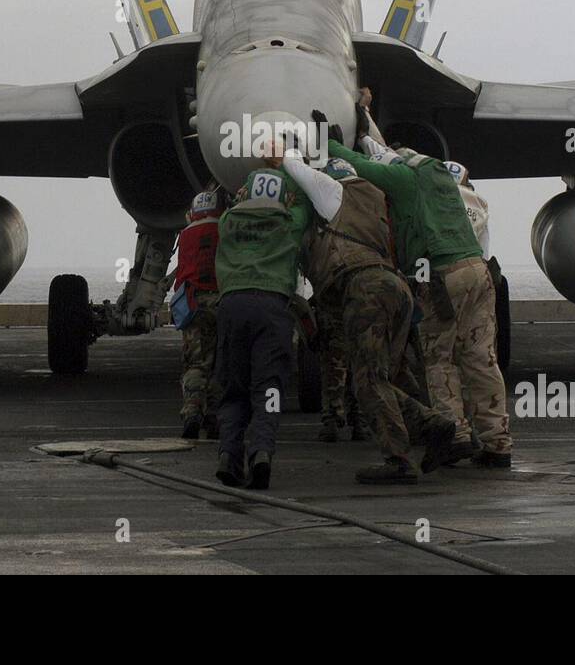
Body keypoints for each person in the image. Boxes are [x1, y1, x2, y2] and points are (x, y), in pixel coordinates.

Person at [329, 103, 512, 469]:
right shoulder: (440, 175)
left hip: (442, 278)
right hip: (478, 271)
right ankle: (497, 443)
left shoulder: (404, 179)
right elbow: (383, 155)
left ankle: (456, 435)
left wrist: (330, 146)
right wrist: (366, 128)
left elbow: (365, 167)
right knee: (481, 358)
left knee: (439, 359)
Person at [284, 143, 457, 484]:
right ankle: (433, 424)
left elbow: (295, 169)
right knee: (380, 377)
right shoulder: (376, 199)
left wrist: (290, 147)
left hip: (365, 289)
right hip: (395, 288)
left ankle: (399, 461)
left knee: (368, 381)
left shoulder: (334, 193)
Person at [212, 142, 312, 490]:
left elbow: (234, 205)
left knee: (233, 387)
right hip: (272, 308)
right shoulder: (290, 222)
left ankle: (228, 455)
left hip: (231, 307)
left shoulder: (227, 221)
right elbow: (303, 199)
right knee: (268, 387)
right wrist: (285, 164)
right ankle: (261, 454)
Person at [173, 188, 226, 439]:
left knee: (195, 364)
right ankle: (214, 417)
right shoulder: (225, 226)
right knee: (220, 364)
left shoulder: (186, 235)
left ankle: (192, 411)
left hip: (194, 303)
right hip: (222, 301)